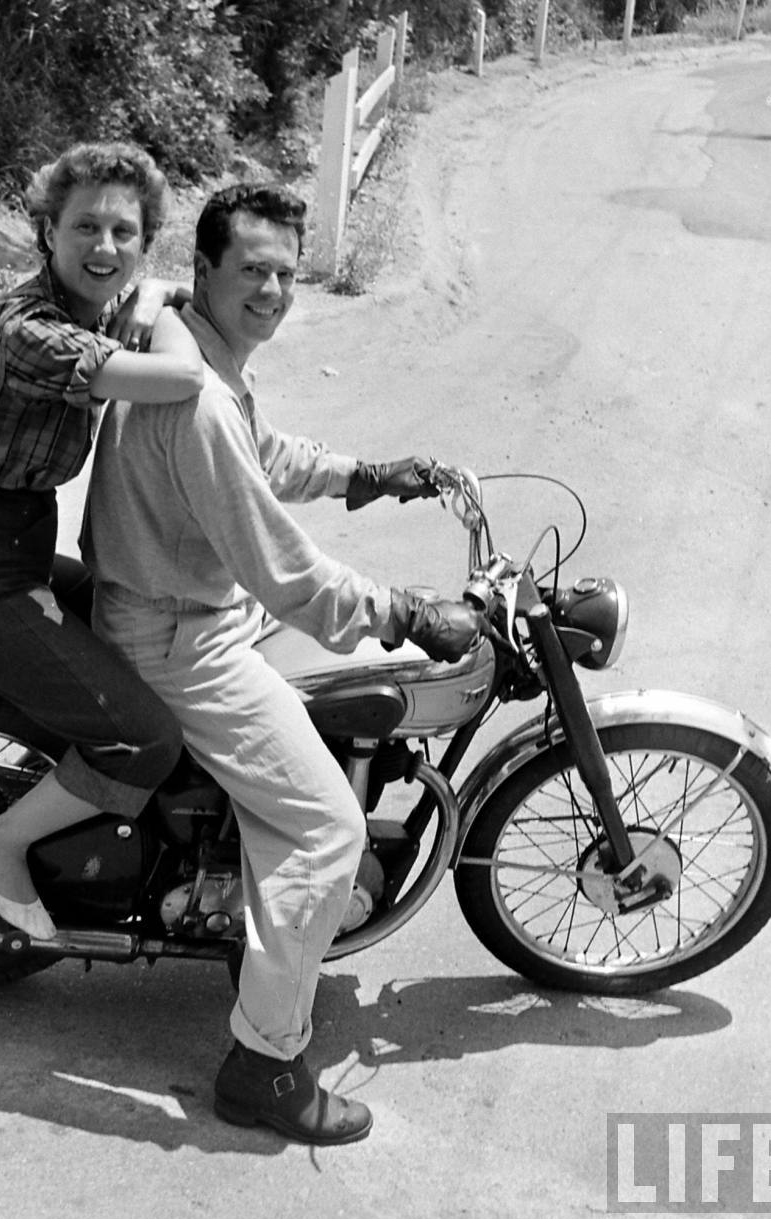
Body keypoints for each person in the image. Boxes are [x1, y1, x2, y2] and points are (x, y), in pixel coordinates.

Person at [83, 183, 491, 1145]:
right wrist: (400, 612)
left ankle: (257, 924)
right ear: (207, 272)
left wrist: (364, 475)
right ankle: (264, 1064)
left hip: (183, 613)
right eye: (253, 270)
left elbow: (262, 454)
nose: (271, 290)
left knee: (319, 717)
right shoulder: (199, 407)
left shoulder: (195, 344)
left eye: (285, 273)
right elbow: (283, 569)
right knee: (323, 829)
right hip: (181, 638)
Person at [0, 142, 204, 941]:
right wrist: (164, 318)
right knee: (145, 738)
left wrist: (157, 301)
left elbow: (156, 299)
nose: (104, 247)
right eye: (85, 227)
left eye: (124, 231)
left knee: (145, 619)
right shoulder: (28, 326)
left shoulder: (92, 303)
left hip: (20, 548)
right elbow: (180, 380)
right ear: (47, 231)